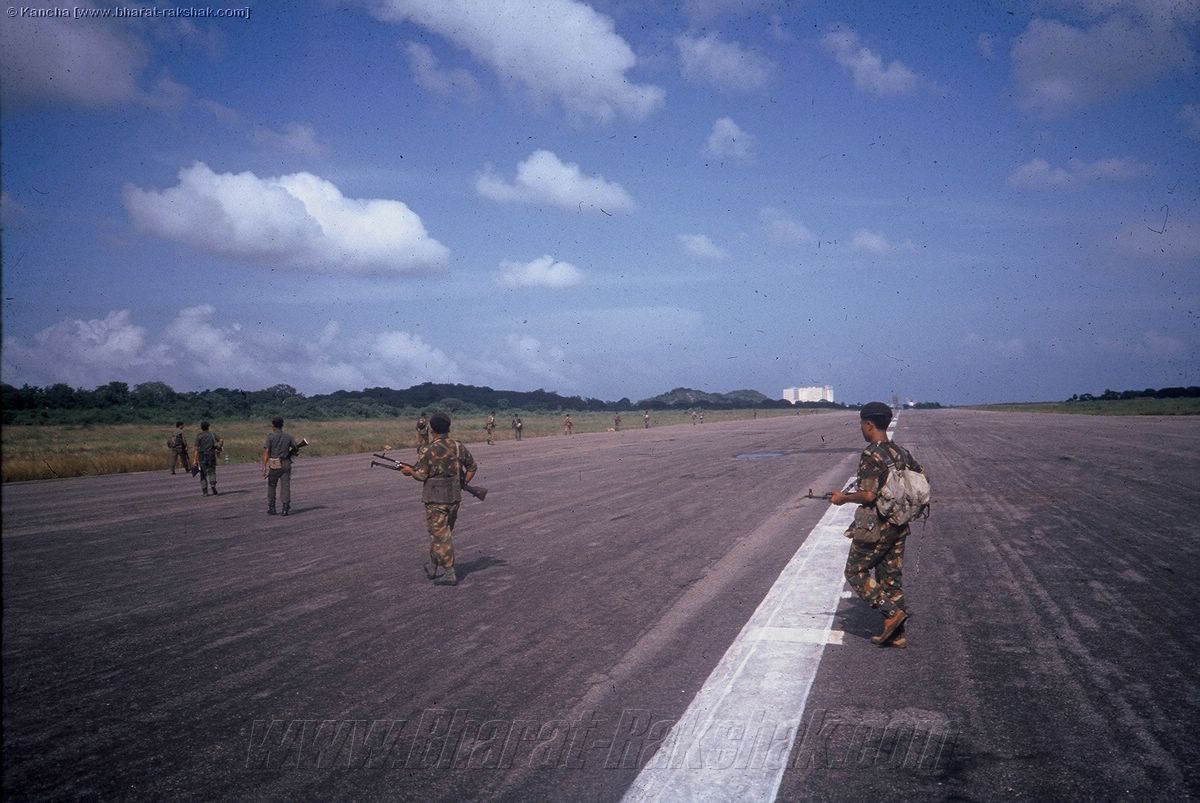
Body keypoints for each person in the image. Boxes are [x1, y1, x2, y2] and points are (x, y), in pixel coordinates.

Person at [830, 402, 926, 649]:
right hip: (899, 523)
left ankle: (891, 612)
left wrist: (843, 499)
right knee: (890, 578)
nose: (862, 428)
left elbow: (868, 495)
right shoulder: (901, 452)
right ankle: (897, 635)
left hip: (877, 526)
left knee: (855, 572)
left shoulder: (871, 454)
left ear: (869, 424)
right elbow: (919, 477)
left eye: (862, 424)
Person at [400, 413, 477, 587]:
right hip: (454, 498)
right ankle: (433, 565)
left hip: (435, 499)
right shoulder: (458, 446)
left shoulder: (428, 449)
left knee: (440, 535)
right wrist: (462, 484)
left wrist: (409, 471)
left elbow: (421, 475)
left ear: (432, 430)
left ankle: (449, 573)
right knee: (442, 533)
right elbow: (472, 467)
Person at [261, 416, 297, 516]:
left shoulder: (270, 437)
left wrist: (264, 466)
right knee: (285, 486)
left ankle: (272, 507)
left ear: (273, 426)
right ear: (282, 425)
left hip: (274, 464)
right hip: (286, 463)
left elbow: (266, 452)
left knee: (272, 486)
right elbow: (295, 448)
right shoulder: (288, 436)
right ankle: (285, 507)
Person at [194, 421, 223, 496]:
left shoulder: (199, 436)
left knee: (203, 474)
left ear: (201, 427)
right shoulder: (212, 434)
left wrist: (195, 460)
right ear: (208, 427)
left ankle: (205, 492)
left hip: (202, 456)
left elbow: (196, 448)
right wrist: (219, 447)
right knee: (212, 471)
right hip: (211, 455)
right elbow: (221, 440)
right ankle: (213, 484)